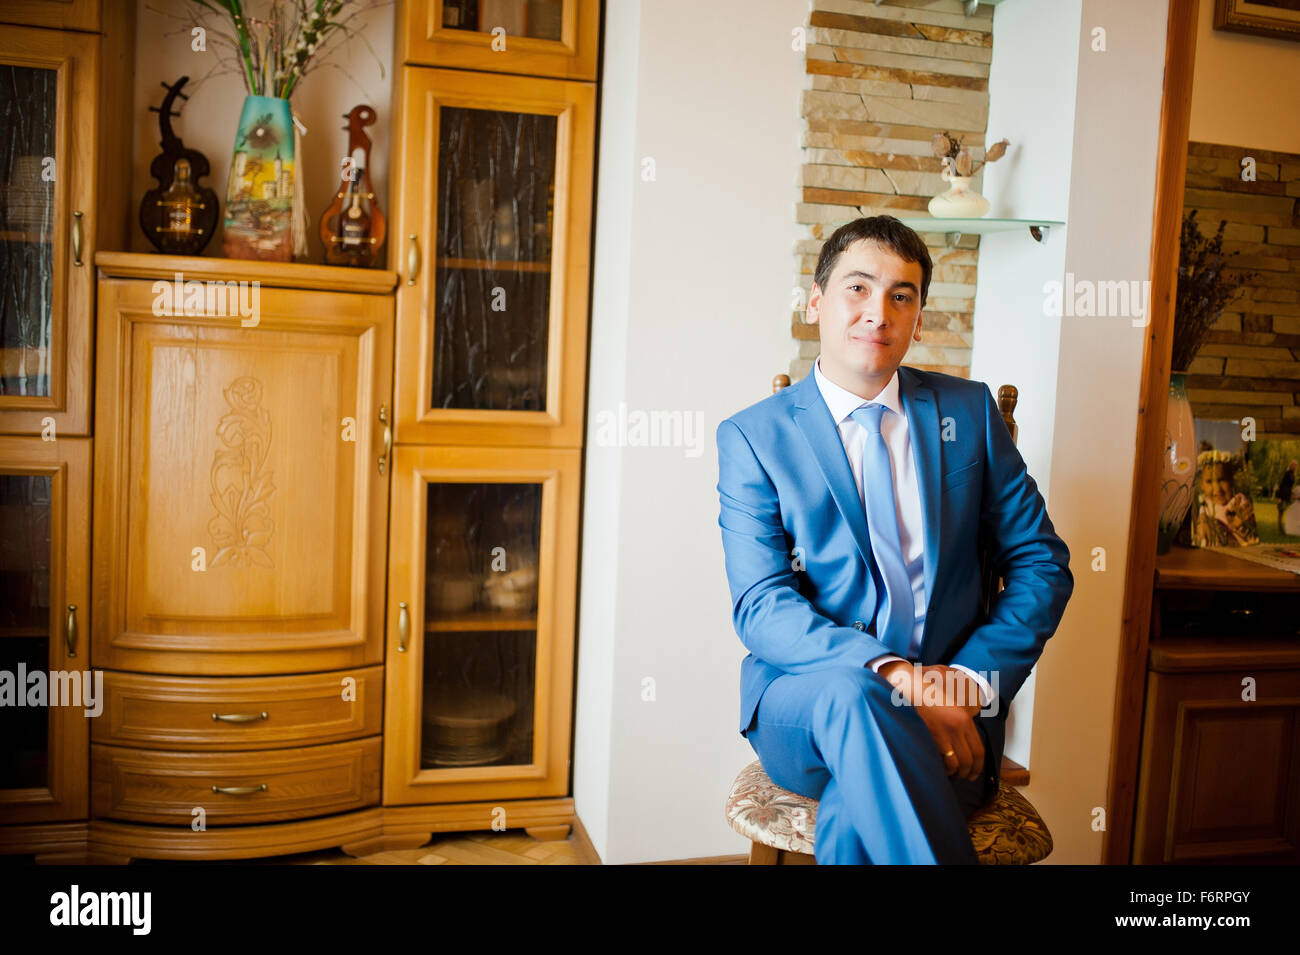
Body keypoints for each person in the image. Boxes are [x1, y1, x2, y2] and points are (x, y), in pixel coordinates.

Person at [715, 215, 1074, 864]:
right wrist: (902, 680)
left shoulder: (968, 414)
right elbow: (762, 604)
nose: (877, 312)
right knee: (857, 696)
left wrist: (963, 682)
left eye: (901, 296)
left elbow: (1040, 563)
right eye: (858, 288)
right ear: (816, 302)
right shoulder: (754, 438)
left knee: (863, 803)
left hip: (956, 708)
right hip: (809, 701)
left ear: (917, 316)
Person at [1276, 460, 1297, 532]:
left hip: (1287, 495)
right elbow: (1282, 485)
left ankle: (1281, 529)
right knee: (1280, 512)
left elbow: (1290, 486)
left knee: (1283, 512)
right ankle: (1280, 529)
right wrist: (1279, 497)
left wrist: (1292, 493)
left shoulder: (1293, 475)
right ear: (1291, 465)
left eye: (1295, 465)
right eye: (1293, 465)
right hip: (1283, 495)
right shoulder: (1287, 473)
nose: (1294, 466)